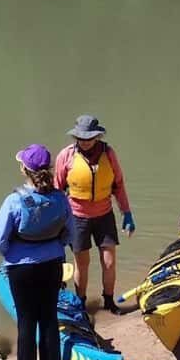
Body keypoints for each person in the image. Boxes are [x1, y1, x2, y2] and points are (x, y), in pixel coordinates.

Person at [0, 144, 74, 360]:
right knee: (49, 317)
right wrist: (51, 247)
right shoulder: (61, 198)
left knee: (26, 320)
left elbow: (0, 241)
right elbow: (69, 234)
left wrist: (15, 255)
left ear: (24, 170)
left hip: (22, 269)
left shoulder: (14, 201)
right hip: (52, 264)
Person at [54, 115, 135, 315]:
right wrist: (56, 222)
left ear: (97, 136)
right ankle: (81, 304)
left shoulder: (109, 154)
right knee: (82, 263)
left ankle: (109, 302)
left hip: (104, 214)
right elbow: (57, 189)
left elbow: (119, 184)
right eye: (81, 138)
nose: (85, 141)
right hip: (77, 217)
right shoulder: (66, 156)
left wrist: (126, 213)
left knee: (109, 260)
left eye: (89, 137)